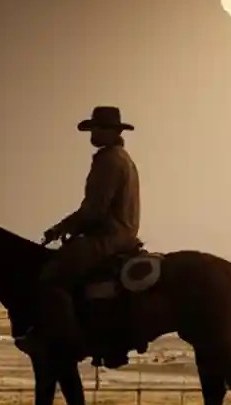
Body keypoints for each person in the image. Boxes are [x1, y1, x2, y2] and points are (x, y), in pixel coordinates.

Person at [16, 106, 141, 359]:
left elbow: (94, 210)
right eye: (92, 128)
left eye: (97, 128)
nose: (93, 133)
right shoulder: (121, 158)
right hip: (121, 233)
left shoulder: (109, 160)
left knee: (51, 276)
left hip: (109, 237)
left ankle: (66, 341)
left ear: (110, 131)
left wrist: (61, 228)